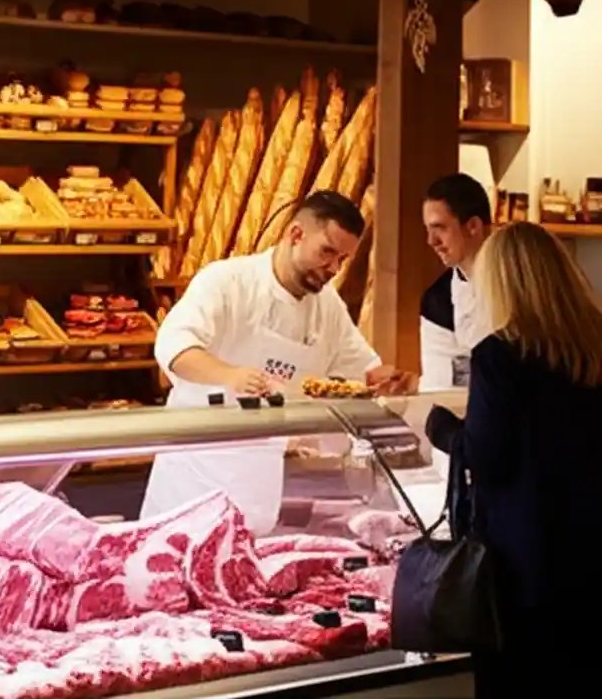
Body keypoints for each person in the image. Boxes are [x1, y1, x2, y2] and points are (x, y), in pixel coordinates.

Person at [146, 191, 413, 531]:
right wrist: (230, 376)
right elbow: (174, 347)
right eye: (327, 252)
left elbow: (361, 369)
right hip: (193, 479)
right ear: (295, 234)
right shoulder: (226, 281)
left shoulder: (326, 305)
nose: (333, 268)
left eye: (342, 260)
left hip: (259, 482)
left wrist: (390, 380)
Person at [424, 222, 602, 692]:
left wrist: (436, 424)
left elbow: (485, 454)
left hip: (526, 567)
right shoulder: (594, 344)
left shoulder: (500, 355)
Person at [419, 173, 493, 391]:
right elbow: (440, 383)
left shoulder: (525, 286)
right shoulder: (437, 300)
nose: (431, 242)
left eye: (439, 228)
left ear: (473, 226)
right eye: (428, 230)